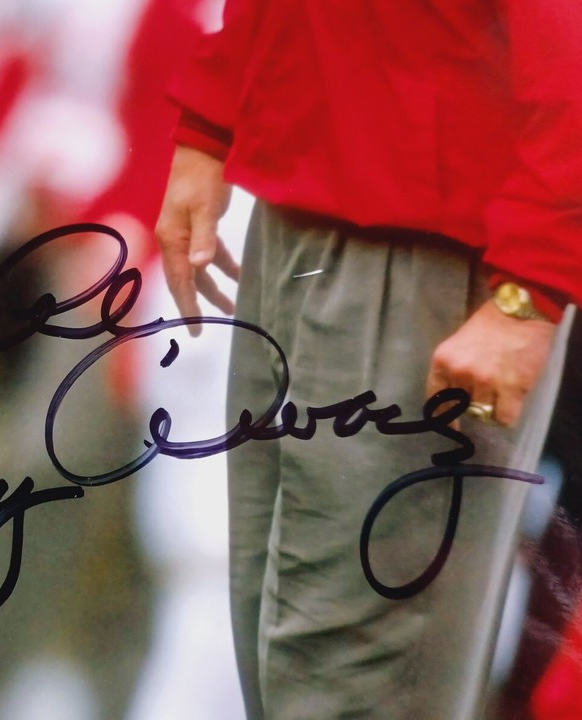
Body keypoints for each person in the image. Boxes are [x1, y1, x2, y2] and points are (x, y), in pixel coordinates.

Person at [154, 3, 582, 719]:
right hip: (293, 212)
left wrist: (529, 293)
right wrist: (211, 119)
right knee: (279, 672)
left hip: (431, 255)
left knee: (350, 687)